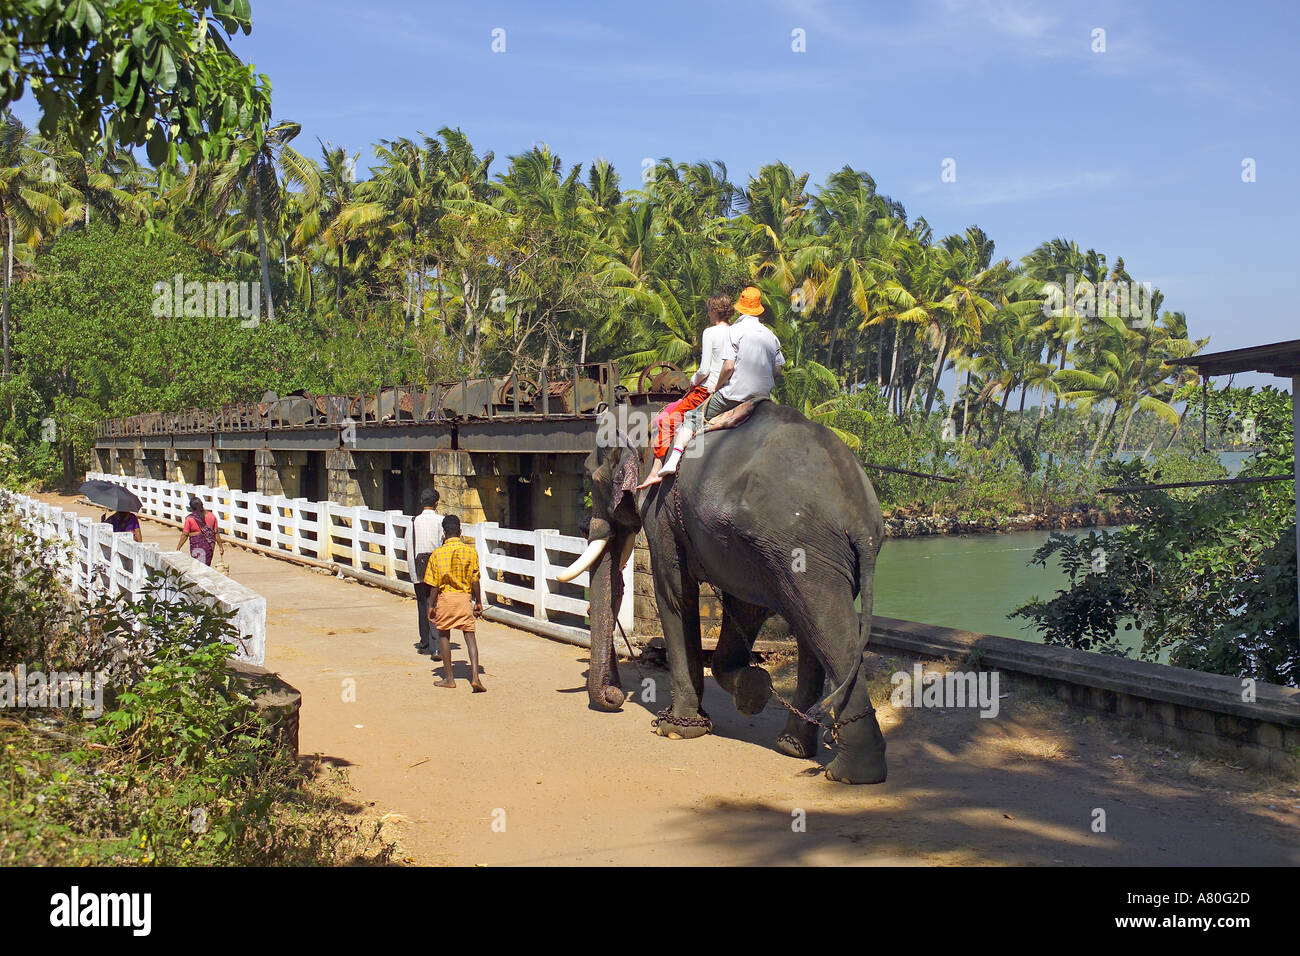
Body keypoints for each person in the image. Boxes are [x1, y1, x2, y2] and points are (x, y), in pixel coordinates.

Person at [658, 286, 784, 477]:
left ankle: (673, 460)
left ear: (741, 308)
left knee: (692, 417)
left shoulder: (735, 331)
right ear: (758, 310)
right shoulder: (771, 336)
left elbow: (728, 368)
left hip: (734, 396)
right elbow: (778, 371)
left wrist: (716, 388)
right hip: (762, 398)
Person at [637, 293, 733, 490]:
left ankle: (655, 471)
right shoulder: (735, 332)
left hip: (705, 391)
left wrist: (693, 380)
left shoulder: (710, 333)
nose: (708, 314)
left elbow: (705, 370)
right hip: (729, 391)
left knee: (665, 421)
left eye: (708, 311)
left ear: (714, 310)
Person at [424, 515, 485, 692]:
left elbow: (434, 584)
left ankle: (449, 679)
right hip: (464, 598)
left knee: (443, 635)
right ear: (460, 532)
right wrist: (478, 602)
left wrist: (431, 605)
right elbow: (475, 580)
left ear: (444, 533)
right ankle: (475, 677)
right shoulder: (471, 552)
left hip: (445, 598)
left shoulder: (437, 554)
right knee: (470, 636)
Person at [405, 488, 444, 654]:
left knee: (422, 605)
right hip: (437, 570)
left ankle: (425, 643)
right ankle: (437, 646)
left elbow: (408, 545)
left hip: (419, 569)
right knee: (435, 604)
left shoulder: (413, 522)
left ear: (422, 503)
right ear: (436, 503)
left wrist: (413, 571)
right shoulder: (441, 521)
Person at [177, 495, 224, 566]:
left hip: (197, 547)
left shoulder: (190, 519)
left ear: (192, 508)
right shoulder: (212, 516)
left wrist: (178, 548)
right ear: (202, 505)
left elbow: (185, 535)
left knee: (197, 567)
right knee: (206, 566)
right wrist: (220, 547)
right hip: (209, 546)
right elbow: (216, 533)